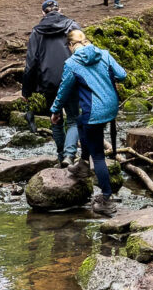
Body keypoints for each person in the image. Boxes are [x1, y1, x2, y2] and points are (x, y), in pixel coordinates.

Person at [51, 29, 126, 216]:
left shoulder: (72, 63)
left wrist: (55, 110)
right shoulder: (104, 54)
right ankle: (83, 164)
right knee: (81, 123)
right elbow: (122, 75)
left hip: (94, 110)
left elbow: (64, 89)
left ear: (70, 46)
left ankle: (106, 198)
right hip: (111, 105)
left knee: (98, 156)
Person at [22, 0, 81, 167]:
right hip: (72, 78)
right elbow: (84, 53)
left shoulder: (37, 32)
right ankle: (70, 155)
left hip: (48, 81)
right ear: (60, 9)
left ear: (43, 13)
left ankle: (62, 156)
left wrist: (26, 91)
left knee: (55, 119)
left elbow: (31, 63)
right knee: (73, 120)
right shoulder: (73, 26)